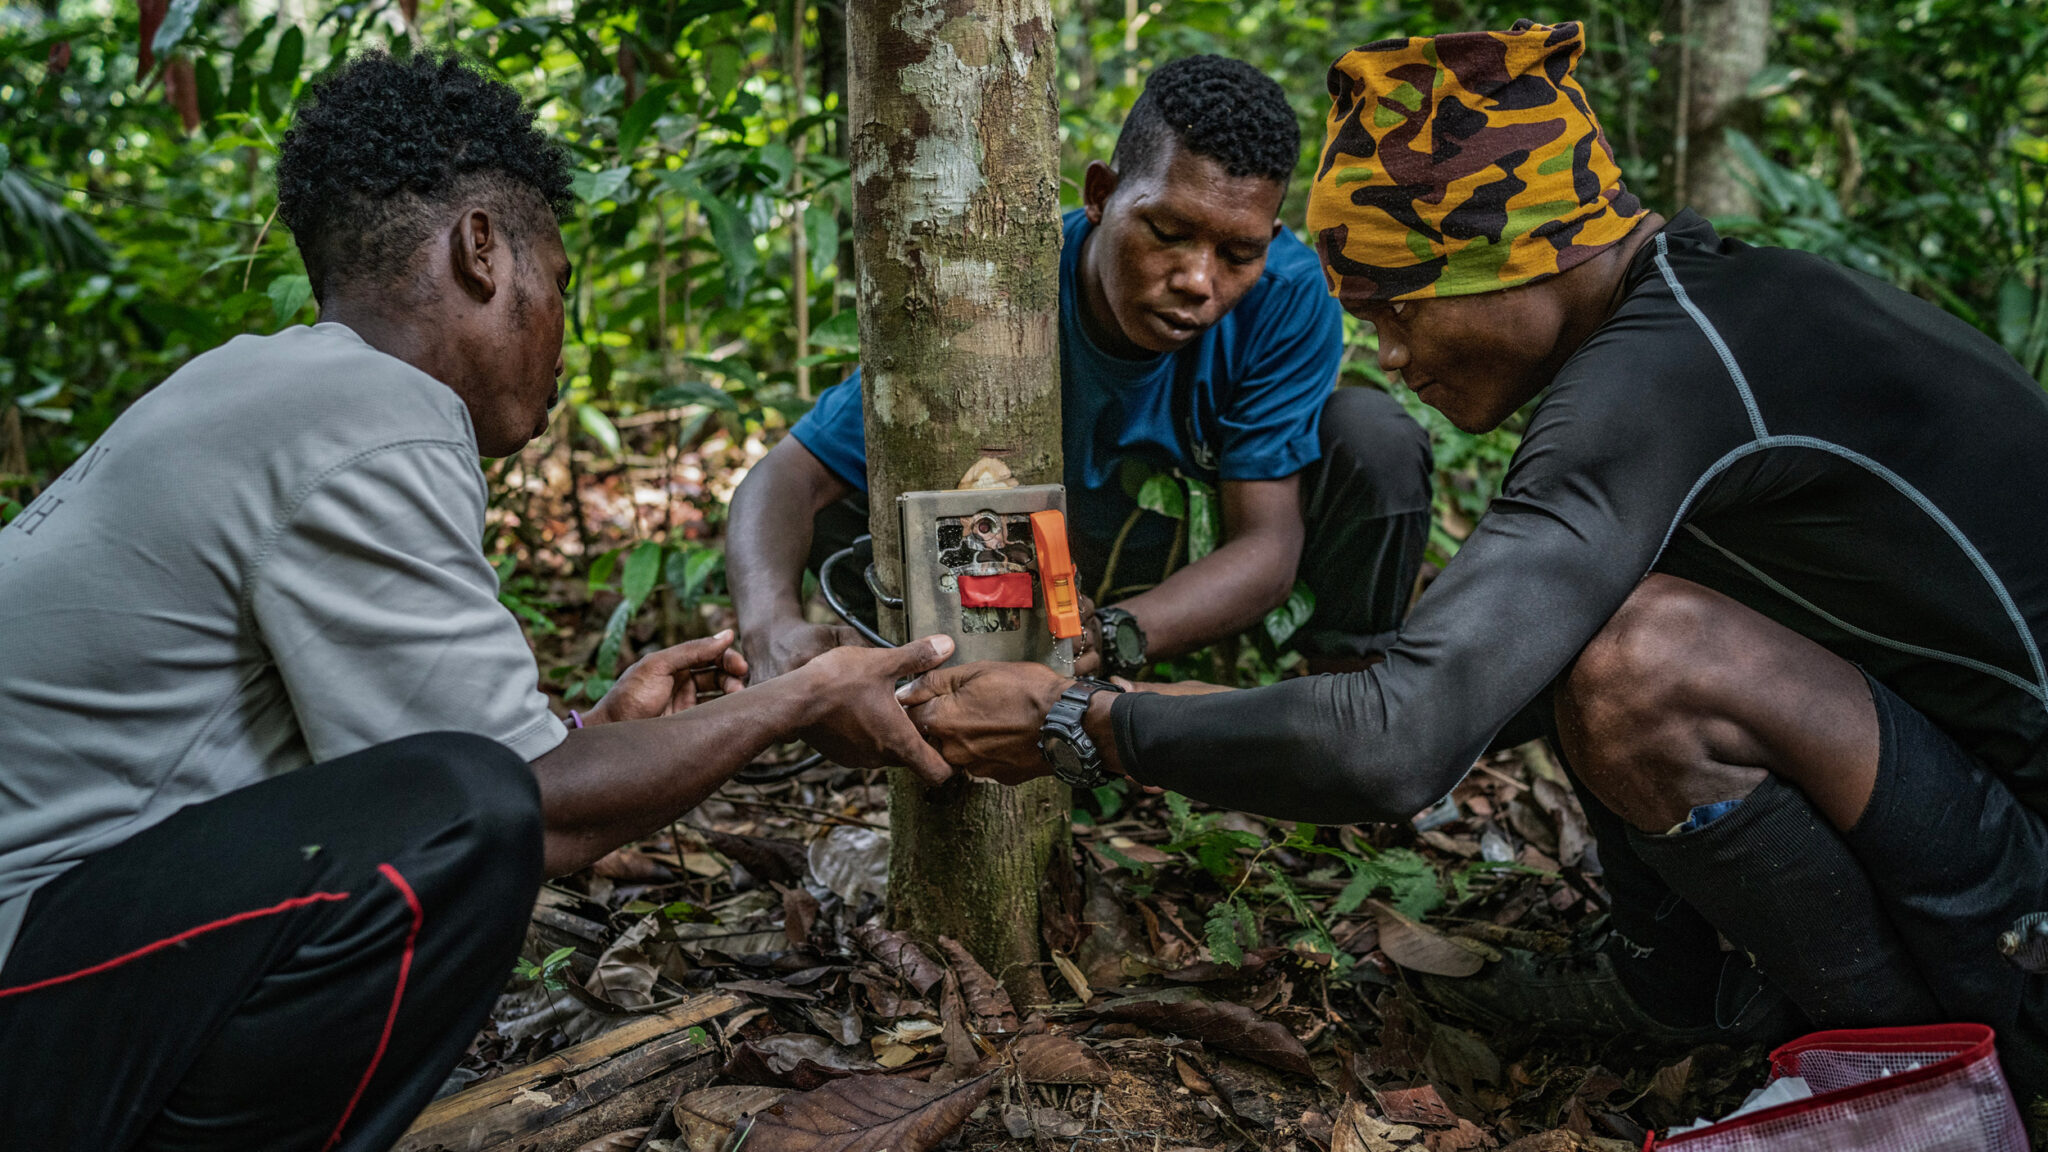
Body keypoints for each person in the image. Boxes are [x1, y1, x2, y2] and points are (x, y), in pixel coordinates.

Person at [901, 20, 2048, 1097]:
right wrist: (1222, 712)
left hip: (2024, 909)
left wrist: (1082, 725)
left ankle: (1903, 1068)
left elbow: (1398, 742)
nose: (1392, 356)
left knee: (1635, 661)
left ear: (1511, 260)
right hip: (1972, 805)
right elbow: (1460, 687)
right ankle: (1676, 990)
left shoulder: (1659, 380)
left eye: (1398, 309)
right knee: (1557, 626)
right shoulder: (1706, 316)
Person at [0, 51, 955, 1149]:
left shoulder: (252, 383)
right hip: (35, 977)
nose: (562, 335)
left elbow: (374, 771)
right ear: (482, 249)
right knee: (475, 814)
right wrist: (799, 697)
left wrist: (592, 739)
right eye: (560, 282)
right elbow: (518, 809)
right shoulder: (372, 410)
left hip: (60, 939)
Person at [727, 55, 1433, 684]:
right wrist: (768, 629)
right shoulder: (1009, 286)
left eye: (1238, 254)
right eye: (1168, 233)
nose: (1198, 280)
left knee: (1374, 438)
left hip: (1171, 575)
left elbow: (1266, 546)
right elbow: (789, 474)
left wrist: (1111, 634)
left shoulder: (1287, 296)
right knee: (861, 479)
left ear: (1270, 240)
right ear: (1101, 195)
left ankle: (1345, 712)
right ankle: (911, 675)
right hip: (1004, 563)